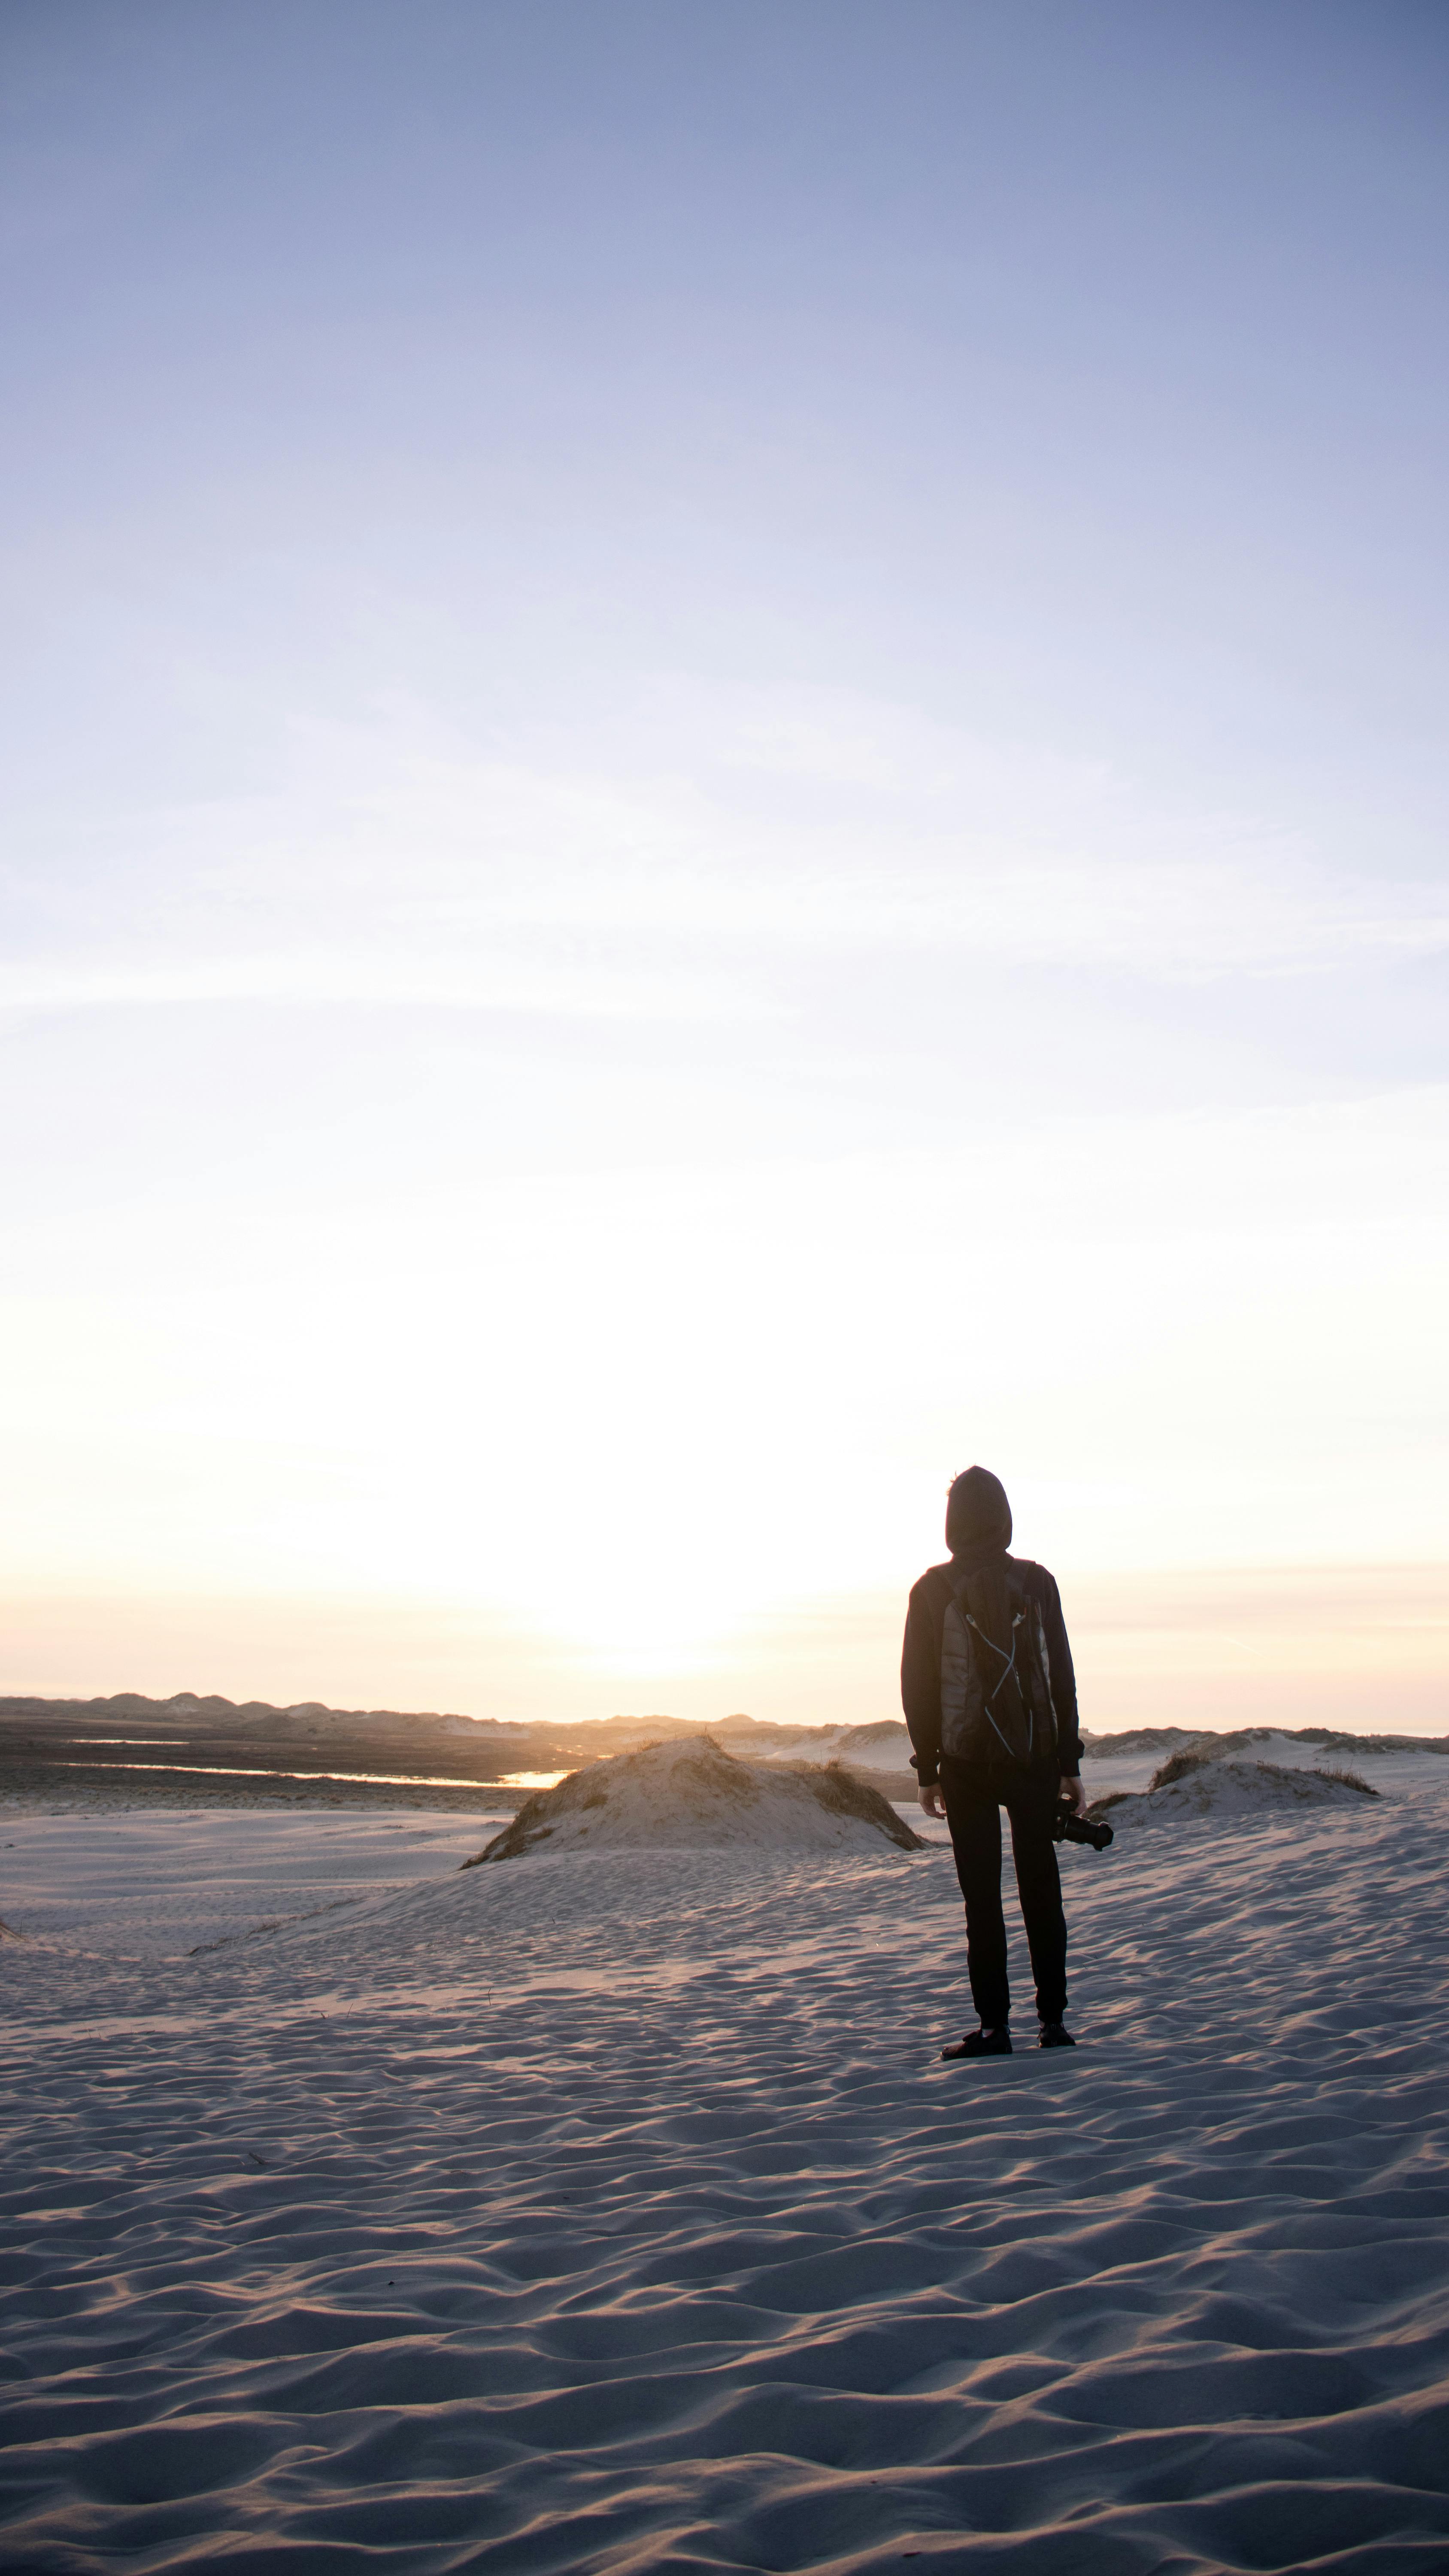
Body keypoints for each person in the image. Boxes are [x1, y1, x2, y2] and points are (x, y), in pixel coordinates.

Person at [901, 1465, 1088, 2057]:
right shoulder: (1037, 1583)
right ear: (1005, 1517)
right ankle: (1054, 2023)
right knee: (1042, 1889)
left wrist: (929, 1770)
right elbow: (1061, 1673)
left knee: (981, 1898)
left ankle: (993, 2028)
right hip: (1032, 1759)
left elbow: (918, 1687)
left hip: (965, 1764)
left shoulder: (931, 1590)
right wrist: (1069, 1762)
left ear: (952, 1522)